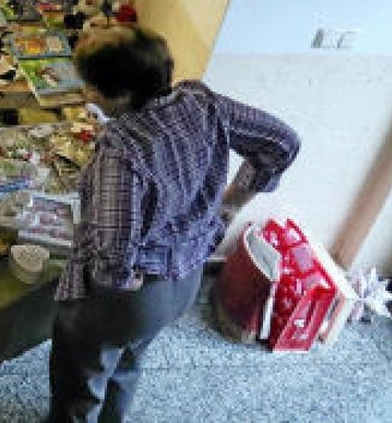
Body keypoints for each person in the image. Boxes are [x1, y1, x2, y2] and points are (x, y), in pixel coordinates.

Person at [48, 26, 300, 423]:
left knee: (80, 379)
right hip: (185, 277)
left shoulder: (122, 150)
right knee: (128, 360)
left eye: (94, 89)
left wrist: (101, 296)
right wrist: (232, 203)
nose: (87, 96)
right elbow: (282, 142)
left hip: (132, 294)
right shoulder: (200, 101)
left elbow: (114, 252)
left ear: (124, 95)